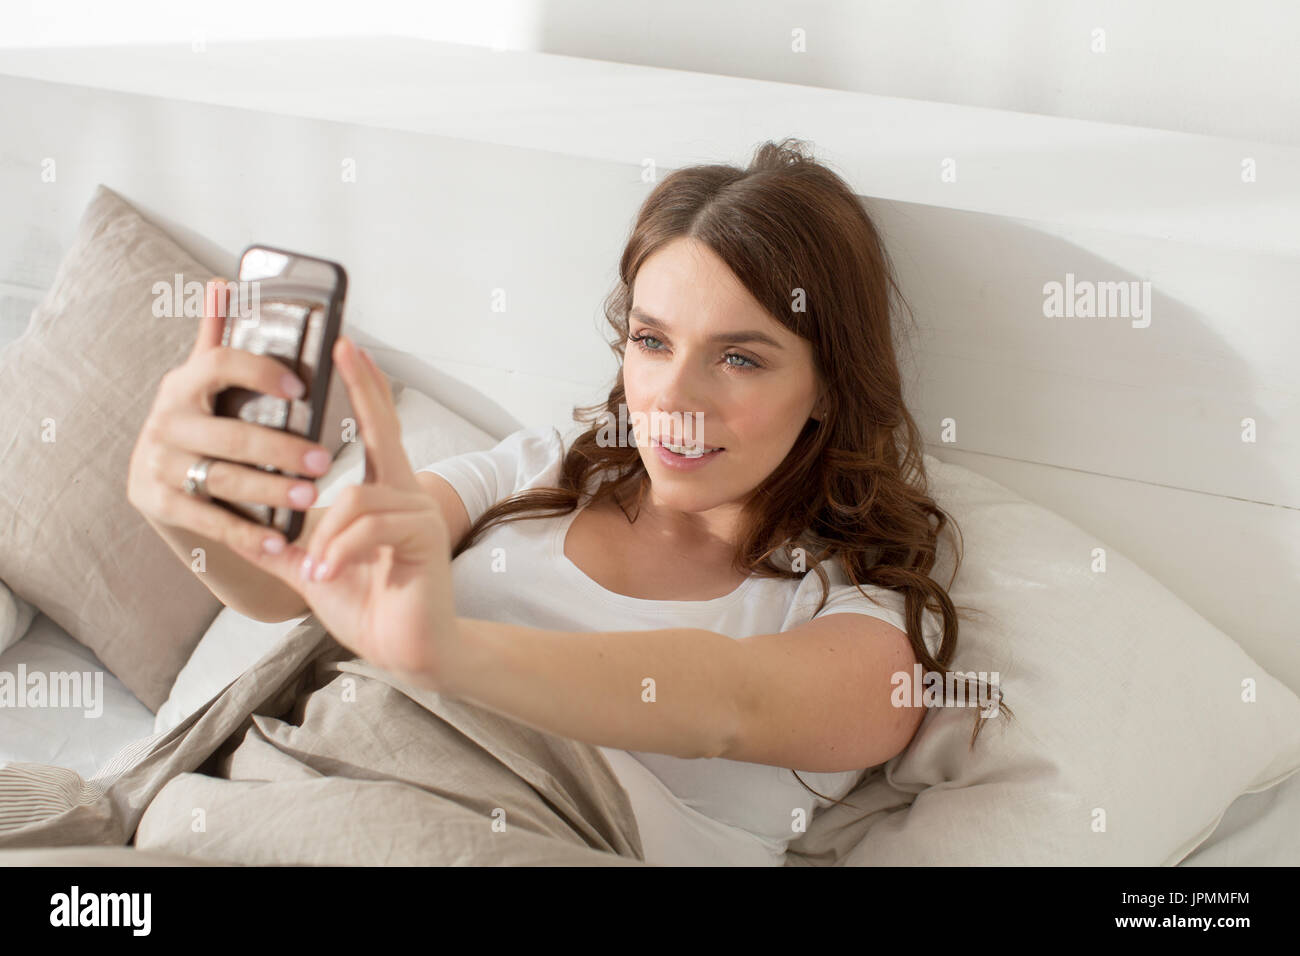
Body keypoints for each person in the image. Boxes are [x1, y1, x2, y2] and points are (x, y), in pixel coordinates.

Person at [127, 137, 994, 866]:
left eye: (740, 358)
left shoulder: (863, 610)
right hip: (276, 802)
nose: (673, 397)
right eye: (651, 341)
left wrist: (448, 653)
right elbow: (292, 589)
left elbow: (727, 707)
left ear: (830, 390)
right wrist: (181, 505)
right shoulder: (536, 475)